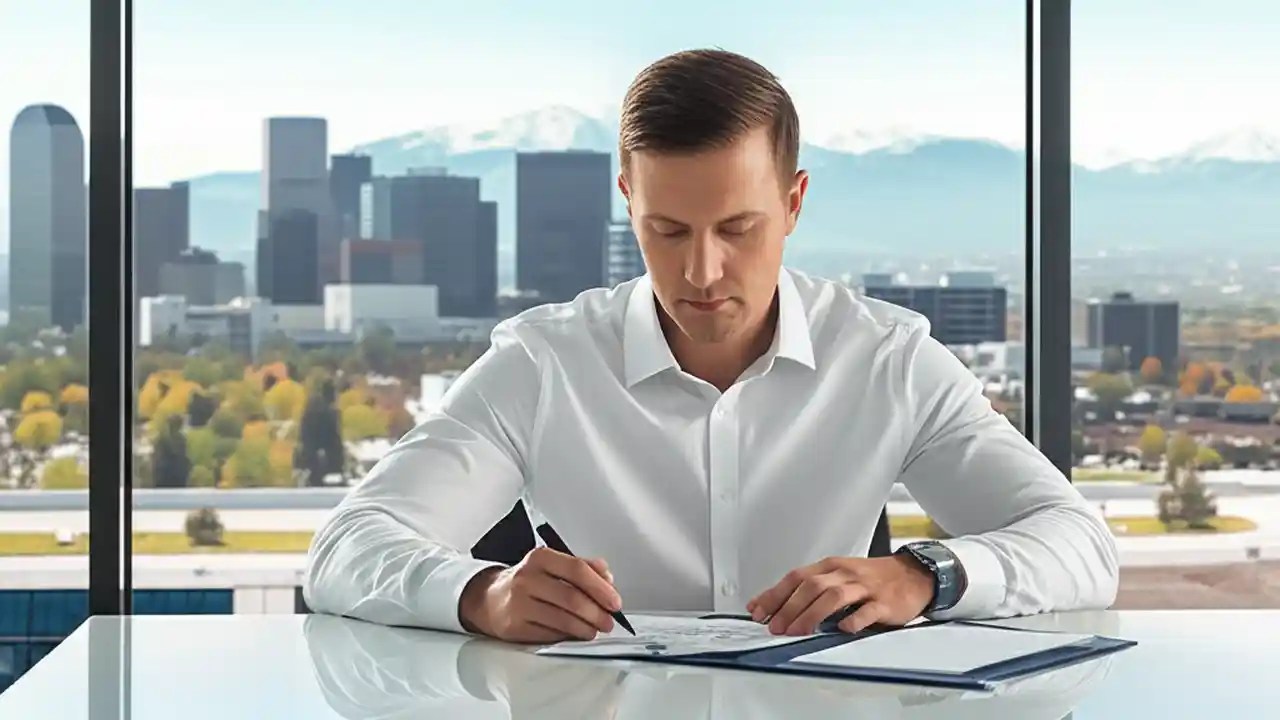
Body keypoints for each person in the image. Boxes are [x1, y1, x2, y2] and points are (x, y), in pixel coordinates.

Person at [304, 49, 1118, 643]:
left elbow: (1080, 546)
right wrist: (480, 593)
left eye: (738, 228)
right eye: (667, 229)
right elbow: (346, 546)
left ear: (793, 203)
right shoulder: (543, 364)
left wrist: (924, 575)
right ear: (628, 202)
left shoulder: (888, 359)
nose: (702, 270)